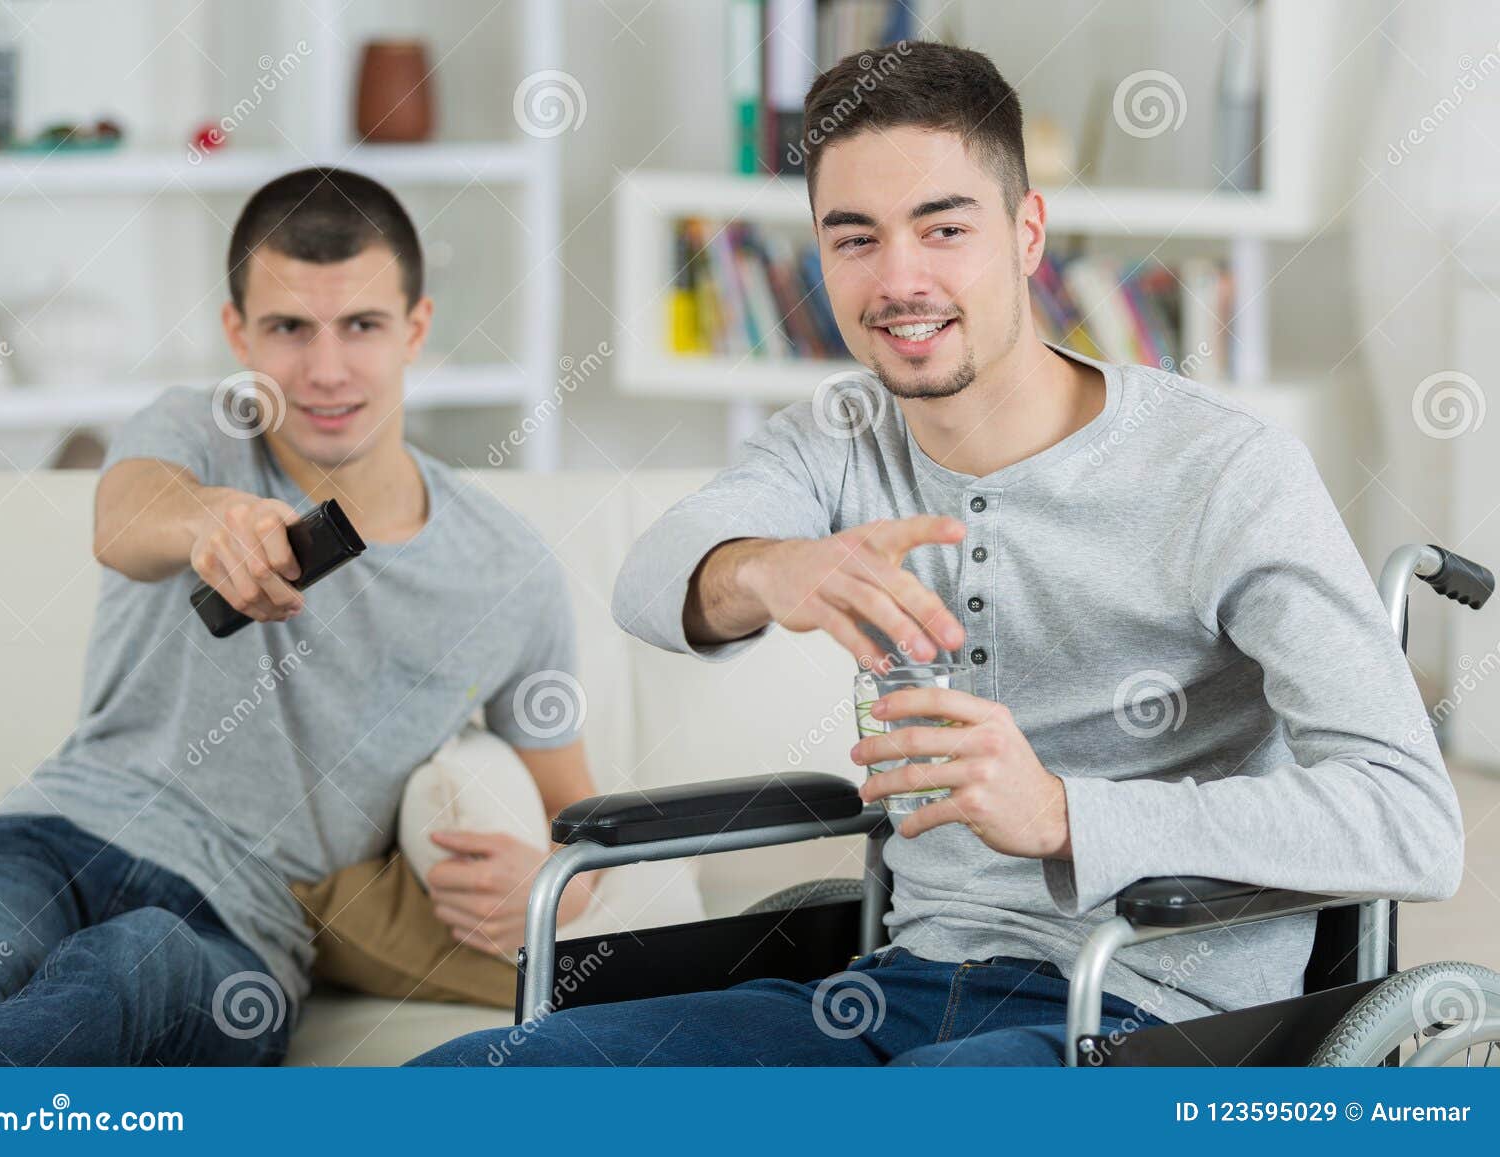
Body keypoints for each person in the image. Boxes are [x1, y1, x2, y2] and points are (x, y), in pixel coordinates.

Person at [410, 41, 1461, 1068]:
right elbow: (650, 582)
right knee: (464, 1083)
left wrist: (1061, 813)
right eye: (854, 236)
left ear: (1026, 231)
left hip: (1139, 1008)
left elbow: (1412, 820)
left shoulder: (1223, 473)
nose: (898, 280)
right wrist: (768, 567)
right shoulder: (836, 437)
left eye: (942, 227)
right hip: (901, 982)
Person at [0, 167, 597, 1067]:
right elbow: (123, 522)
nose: (327, 369)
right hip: (52, 836)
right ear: (237, 333)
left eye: (362, 326)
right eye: (288, 328)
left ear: (416, 329)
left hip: (239, 933)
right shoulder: (191, 434)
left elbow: (576, 808)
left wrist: (558, 886)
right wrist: (208, 522)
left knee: (126, 968)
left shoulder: (509, 572)